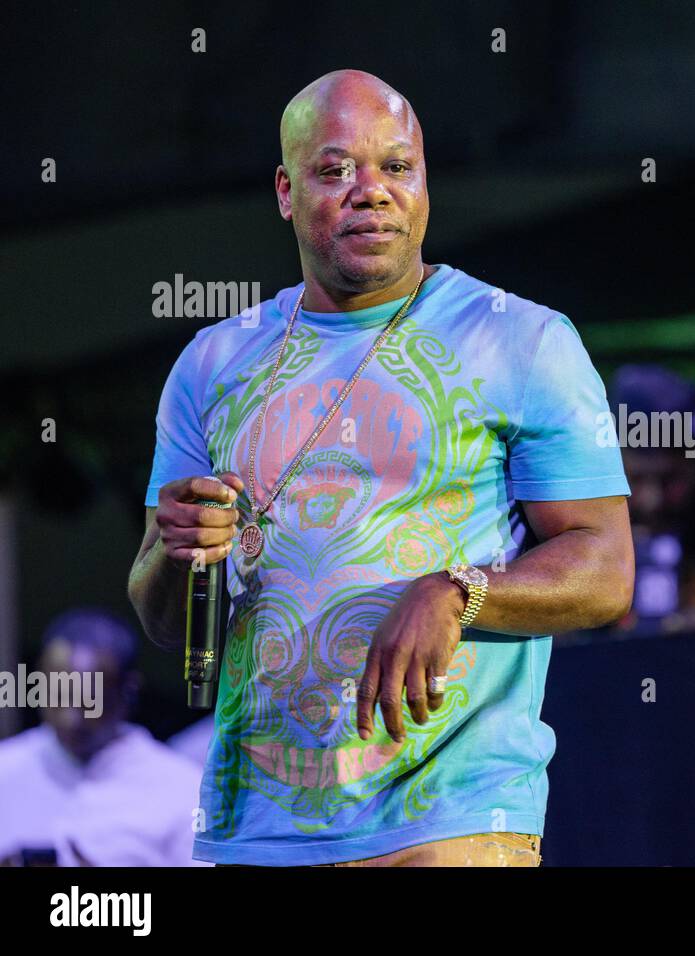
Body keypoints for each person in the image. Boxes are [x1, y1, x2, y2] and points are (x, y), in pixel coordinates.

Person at [126, 70, 634, 867]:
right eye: (335, 171)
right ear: (286, 193)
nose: (371, 192)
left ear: (424, 182)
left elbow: (605, 570)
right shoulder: (211, 362)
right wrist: (175, 549)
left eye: (395, 167)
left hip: (447, 822)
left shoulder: (523, 340)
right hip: (257, 828)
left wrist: (458, 593)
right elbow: (164, 620)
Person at [0, 608, 206, 867]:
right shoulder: (5, 770)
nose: (71, 720)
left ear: (128, 691)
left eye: (90, 701)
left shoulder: (184, 791)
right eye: (60, 696)